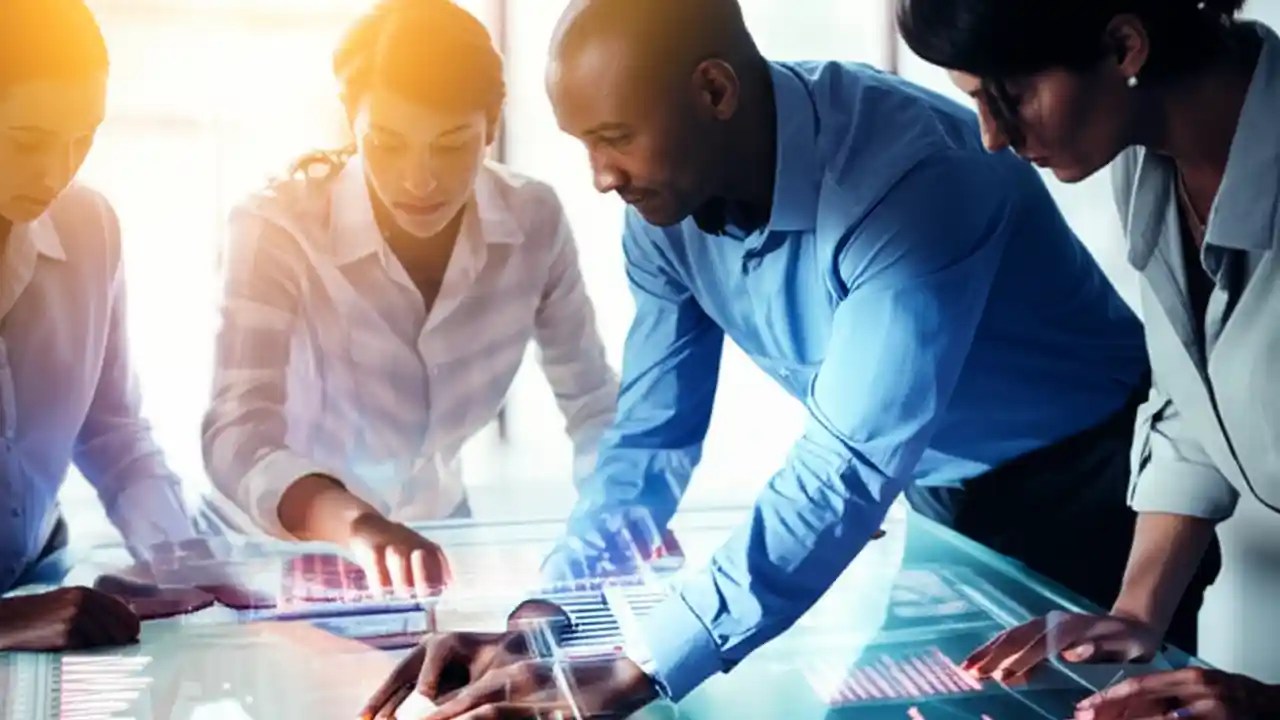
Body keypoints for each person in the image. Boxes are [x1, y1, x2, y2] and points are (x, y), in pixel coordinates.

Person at [358, 0, 1220, 716]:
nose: (600, 177)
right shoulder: (663, 209)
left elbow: (845, 465)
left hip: (1110, 496)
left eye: (613, 137)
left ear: (714, 90)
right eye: (583, 143)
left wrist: (636, 666)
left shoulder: (918, 177)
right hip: (942, 499)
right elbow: (651, 441)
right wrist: (551, 616)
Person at [898, 0, 1280, 716]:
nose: (989, 137)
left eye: (1006, 97)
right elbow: (1188, 400)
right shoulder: (1145, 164)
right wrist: (1134, 615)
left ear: (1124, 45)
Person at [203, 0, 618, 596]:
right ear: (352, 122)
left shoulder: (534, 220)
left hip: (436, 536)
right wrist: (358, 525)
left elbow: (593, 402)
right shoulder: (275, 227)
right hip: (277, 550)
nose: (419, 179)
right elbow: (236, 433)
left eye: (450, 147)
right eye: (388, 143)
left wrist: (622, 505)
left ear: (490, 129)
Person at [0, 0, 202, 650]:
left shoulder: (89, 227)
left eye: (82, 137)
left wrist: (181, 556)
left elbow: (112, 428)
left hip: (43, 579)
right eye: (29, 141)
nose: (58, 171)